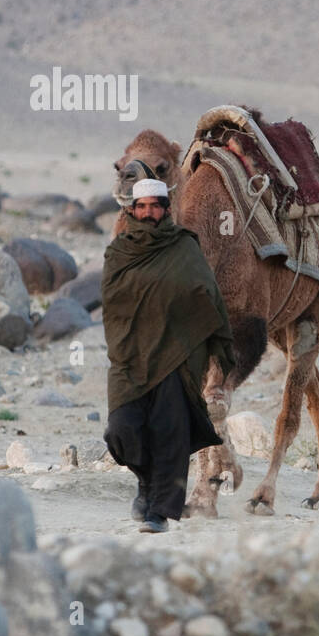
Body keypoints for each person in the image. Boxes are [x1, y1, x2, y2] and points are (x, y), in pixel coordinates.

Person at [100, 178, 235, 533]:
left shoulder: (184, 247)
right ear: (131, 210)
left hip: (178, 354)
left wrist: (208, 336)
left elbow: (206, 292)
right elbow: (113, 302)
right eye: (141, 206)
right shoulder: (119, 252)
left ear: (166, 208)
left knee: (170, 432)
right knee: (121, 430)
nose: (148, 213)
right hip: (131, 356)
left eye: (155, 206)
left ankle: (159, 511)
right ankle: (145, 482)